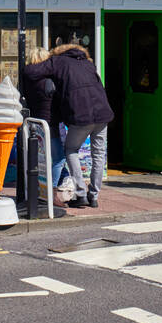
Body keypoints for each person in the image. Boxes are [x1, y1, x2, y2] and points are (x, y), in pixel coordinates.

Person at [27, 43, 112, 208]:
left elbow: (31, 71)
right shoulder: (88, 63)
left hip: (81, 116)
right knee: (99, 155)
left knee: (71, 150)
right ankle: (93, 196)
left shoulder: (58, 61)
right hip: (102, 113)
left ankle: (81, 194)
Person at [21, 47, 66, 191]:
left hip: (35, 122)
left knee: (41, 159)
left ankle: (46, 189)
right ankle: (50, 191)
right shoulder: (48, 81)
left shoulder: (27, 78)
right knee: (59, 159)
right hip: (50, 123)